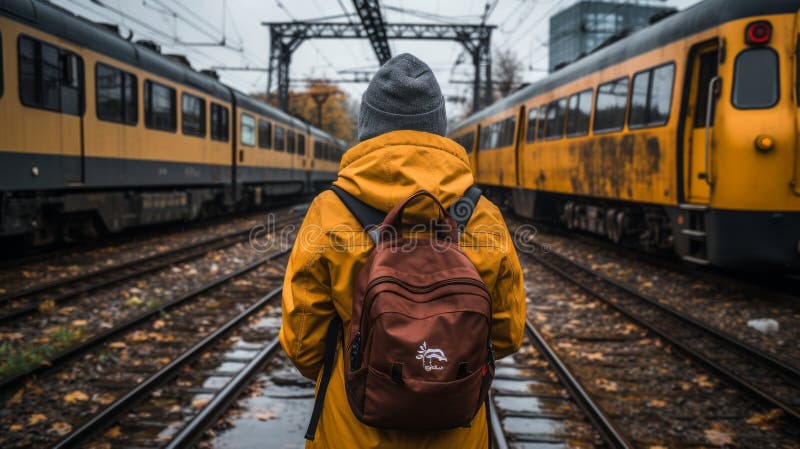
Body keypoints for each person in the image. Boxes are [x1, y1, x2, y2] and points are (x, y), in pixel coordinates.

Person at [280, 53, 526, 449]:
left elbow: (302, 340)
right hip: (457, 431)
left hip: (351, 431)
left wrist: (369, 373)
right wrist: (443, 370)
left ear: (368, 128)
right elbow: (508, 332)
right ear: (439, 128)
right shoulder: (483, 215)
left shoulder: (330, 210)